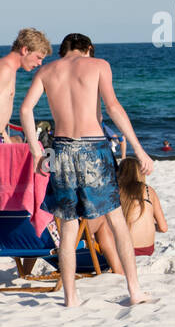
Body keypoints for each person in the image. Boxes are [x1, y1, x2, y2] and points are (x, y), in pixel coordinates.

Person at [19, 32, 153, 306]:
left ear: (63, 51)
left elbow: (25, 110)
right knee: (116, 221)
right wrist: (138, 149)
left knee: (68, 226)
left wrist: (36, 151)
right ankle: (135, 290)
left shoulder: (46, 71)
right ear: (88, 49)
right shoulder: (99, 65)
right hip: (94, 150)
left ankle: (71, 297)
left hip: (62, 148)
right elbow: (113, 107)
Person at [1, 29, 52, 143]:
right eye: (38, 57)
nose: (40, 63)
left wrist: (8, 143)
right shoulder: (5, 70)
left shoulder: (10, 70)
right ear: (25, 50)